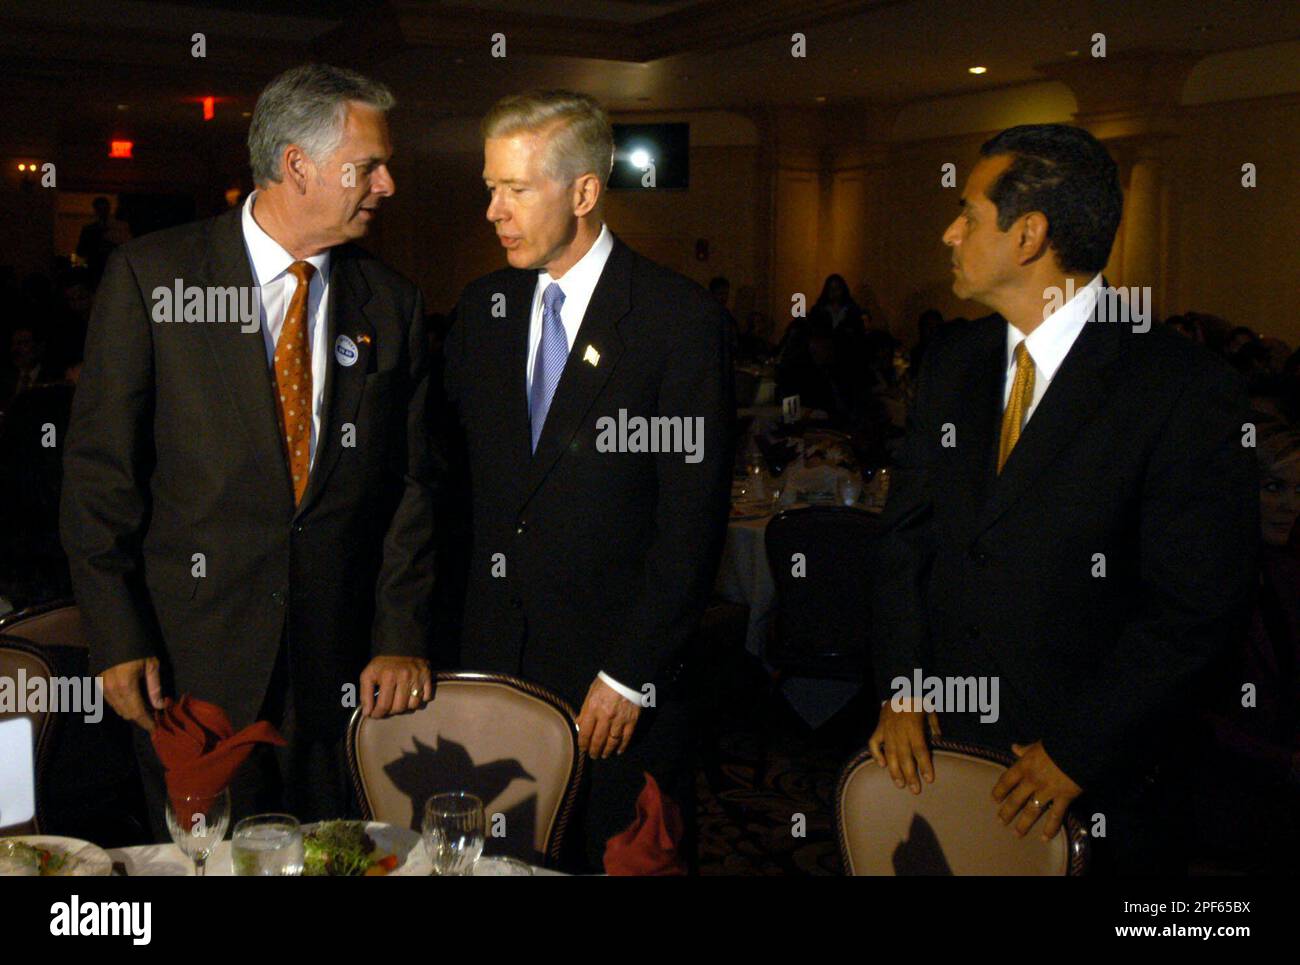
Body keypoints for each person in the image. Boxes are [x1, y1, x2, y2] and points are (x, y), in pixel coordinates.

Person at [867, 123, 1257, 873]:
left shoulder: (1180, 388)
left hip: (1093, 782)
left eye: (968, 213)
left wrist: (1079, 750)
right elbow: (907, 541)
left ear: (1029, 236)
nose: (949, 232)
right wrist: (902, 684)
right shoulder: (952, 362)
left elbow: (1197, 610)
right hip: (942, 749)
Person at [60, 64, 436, 835]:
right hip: (191, 666)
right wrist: (117, 637)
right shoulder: (152, 278)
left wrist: (398, 636)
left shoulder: (390, 303)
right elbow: (101, 477)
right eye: (368, 166)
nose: (388, 184)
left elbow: (409, 484)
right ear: (297, 164)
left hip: (337, 676)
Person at [442, 90, 732, 871]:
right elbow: (452, 490)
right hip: (494, 669)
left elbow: (691, 521)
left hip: (613, 685)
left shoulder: (677, 321)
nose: (494, 210)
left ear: (582, 192)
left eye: (515, 189)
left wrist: (632, 670)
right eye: (489, 187)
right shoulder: (482, 309)